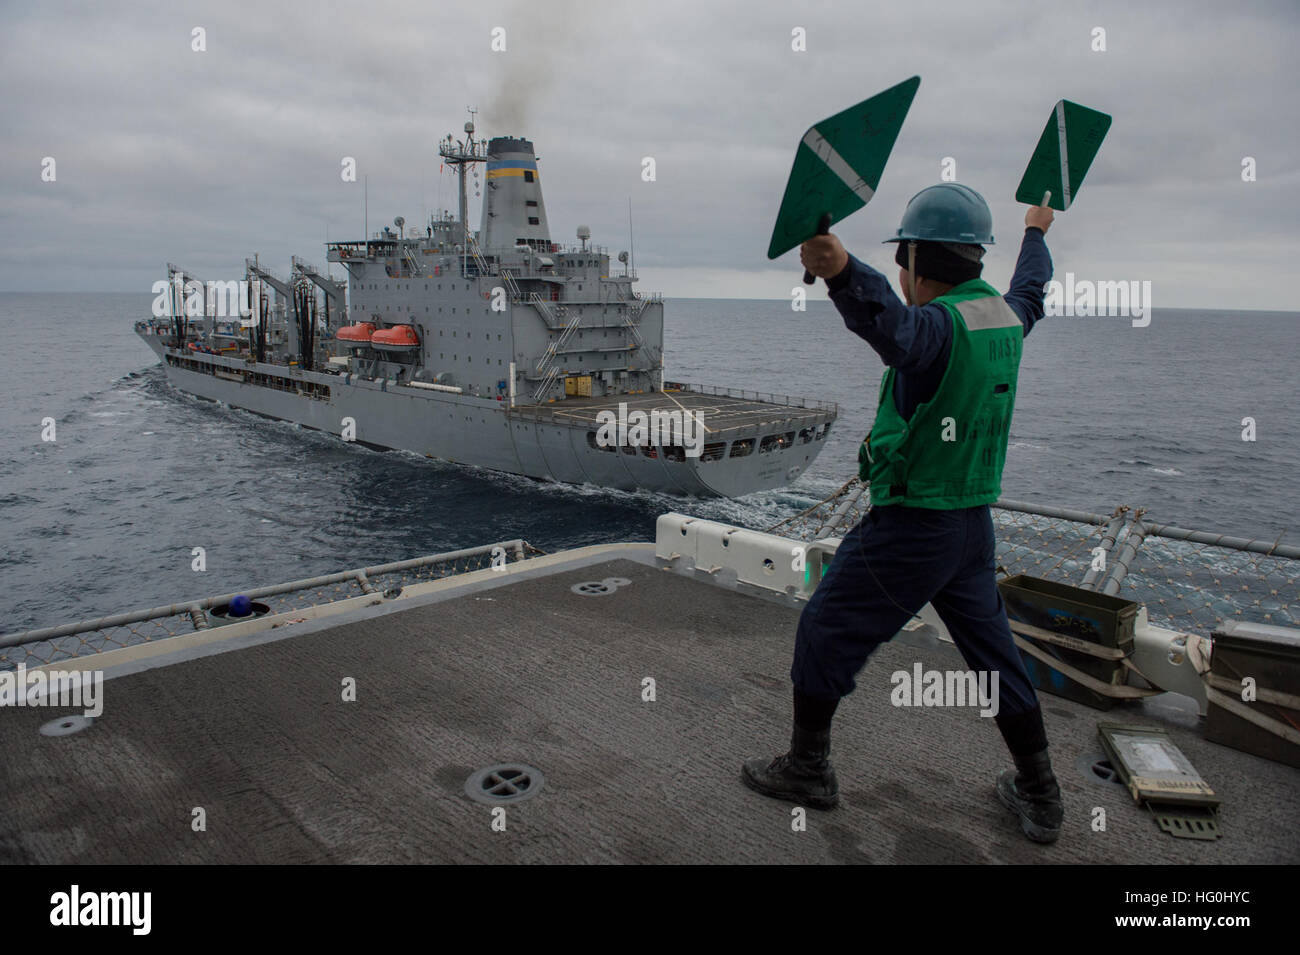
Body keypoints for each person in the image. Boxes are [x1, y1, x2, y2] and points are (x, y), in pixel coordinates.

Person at [741, 183, 1063, 843]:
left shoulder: (938, 328)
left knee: (825, 629)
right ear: (976, 256)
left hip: (915, 524)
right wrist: (1036, 230)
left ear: (915, 259)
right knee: (995, 659)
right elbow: (1033, 287)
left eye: (900, 260)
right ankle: (1042, 793)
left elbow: (894, 328)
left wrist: (840, 272)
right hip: (972, 526)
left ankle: (808, 768)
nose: (899, 273)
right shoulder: (1005, 317)